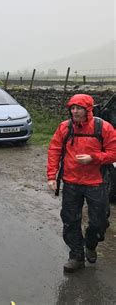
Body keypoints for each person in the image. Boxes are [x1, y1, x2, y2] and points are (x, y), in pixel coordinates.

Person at [47, 94, 116, 273]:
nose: (74, 111)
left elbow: (113, 153)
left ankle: (91, 244)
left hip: (96, 183)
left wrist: (93, 158)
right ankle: (76, 256)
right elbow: (54, 150)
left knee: (99, 222)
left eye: (79, 108)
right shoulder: (65, 127)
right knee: (70, 221)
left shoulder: (103, 127)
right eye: (72, 108)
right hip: (71, 182)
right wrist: (51, 176)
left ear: (88, 110)